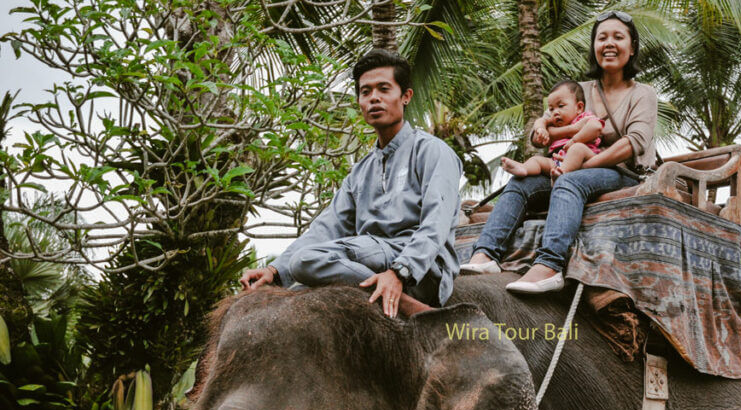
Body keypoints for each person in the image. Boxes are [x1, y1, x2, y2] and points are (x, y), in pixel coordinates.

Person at [239, 50, 463, 316]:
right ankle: (382, 292)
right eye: (365, 92)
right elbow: (326, 227)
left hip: (422, 269)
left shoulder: (432, 152)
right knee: (292, 298)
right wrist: (274, 270)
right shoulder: (361, 171)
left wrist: (400, 272)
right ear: (359, 101)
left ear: (405, 97)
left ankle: (407, 305)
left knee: (306, 260)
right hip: (370, 262)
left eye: (383, 89)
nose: (374, 98)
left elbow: (435, 225)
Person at [461, 11, 658, 294]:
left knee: (568, 180)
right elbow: (546, 128)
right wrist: (541, 124)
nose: (609, 43)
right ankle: (486, 254)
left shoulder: (643, 94)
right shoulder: (580, 91)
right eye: (602, 38)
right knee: (522, 182)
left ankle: (549, 265)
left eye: (618, 37)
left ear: (633, 46)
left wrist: (584, 164)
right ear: (594, 47)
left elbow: (633, 142)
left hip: (622, 172)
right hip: (574, 167)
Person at [500, 80, 604, 179]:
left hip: (585, 158)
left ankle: (561, 174)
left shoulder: (584, 118)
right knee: (536, 160)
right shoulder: (555, 122)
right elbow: (541, 121)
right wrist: (541, 129)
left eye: (561, 106)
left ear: (579, 107)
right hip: (557, 161)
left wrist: (574, 140)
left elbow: (596, 127)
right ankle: (523, 168)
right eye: (551, 109)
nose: (555, 112)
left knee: (577, 148)